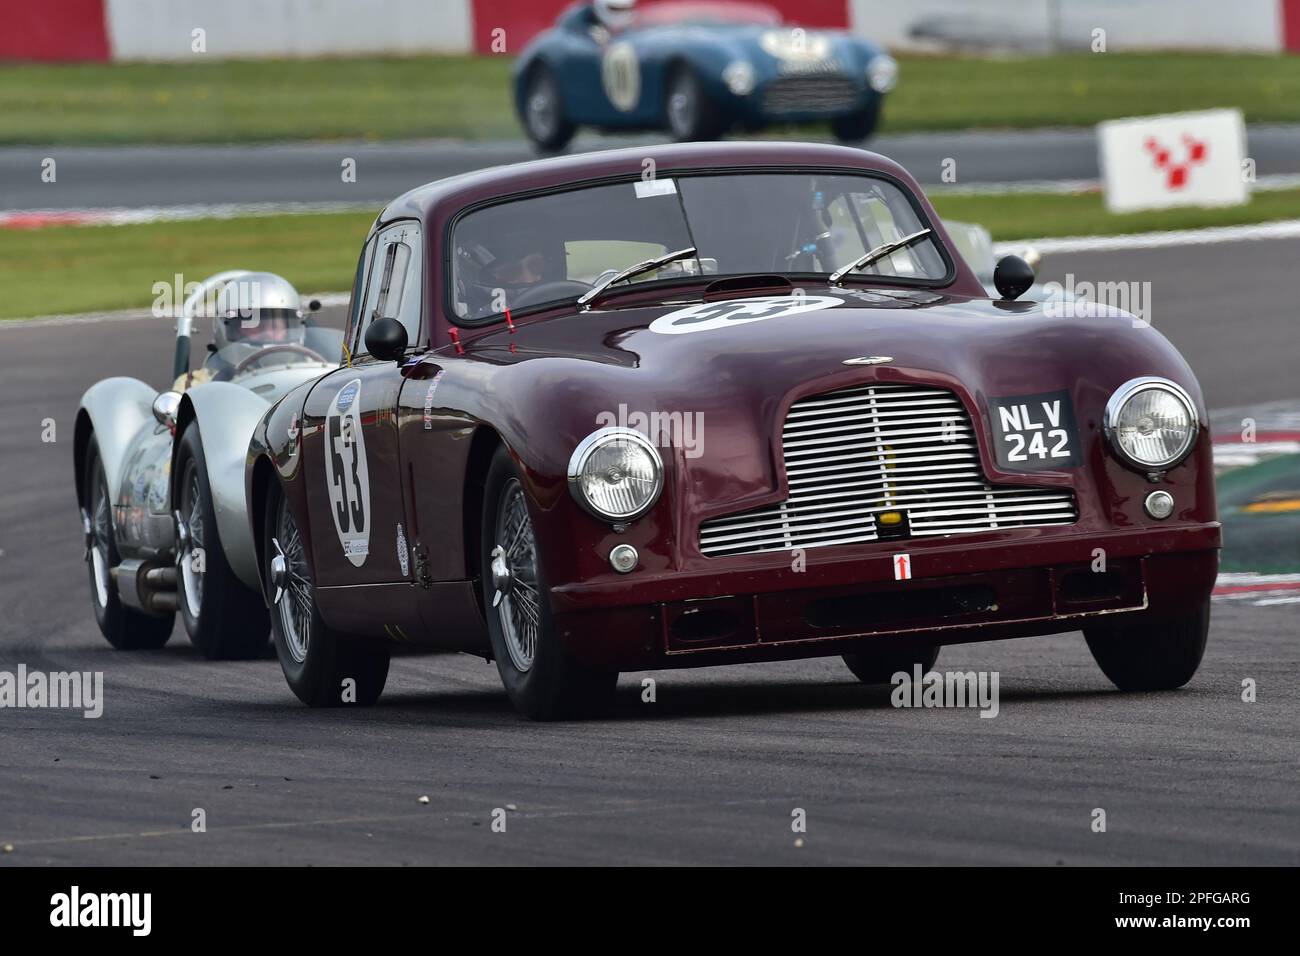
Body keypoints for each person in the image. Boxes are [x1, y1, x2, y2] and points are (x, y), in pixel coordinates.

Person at [174, 272, 308, 390]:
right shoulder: (196, 385)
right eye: (257, 326)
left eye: (276, 327)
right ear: (230, 328)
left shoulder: (313, 371)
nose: (267, 334)